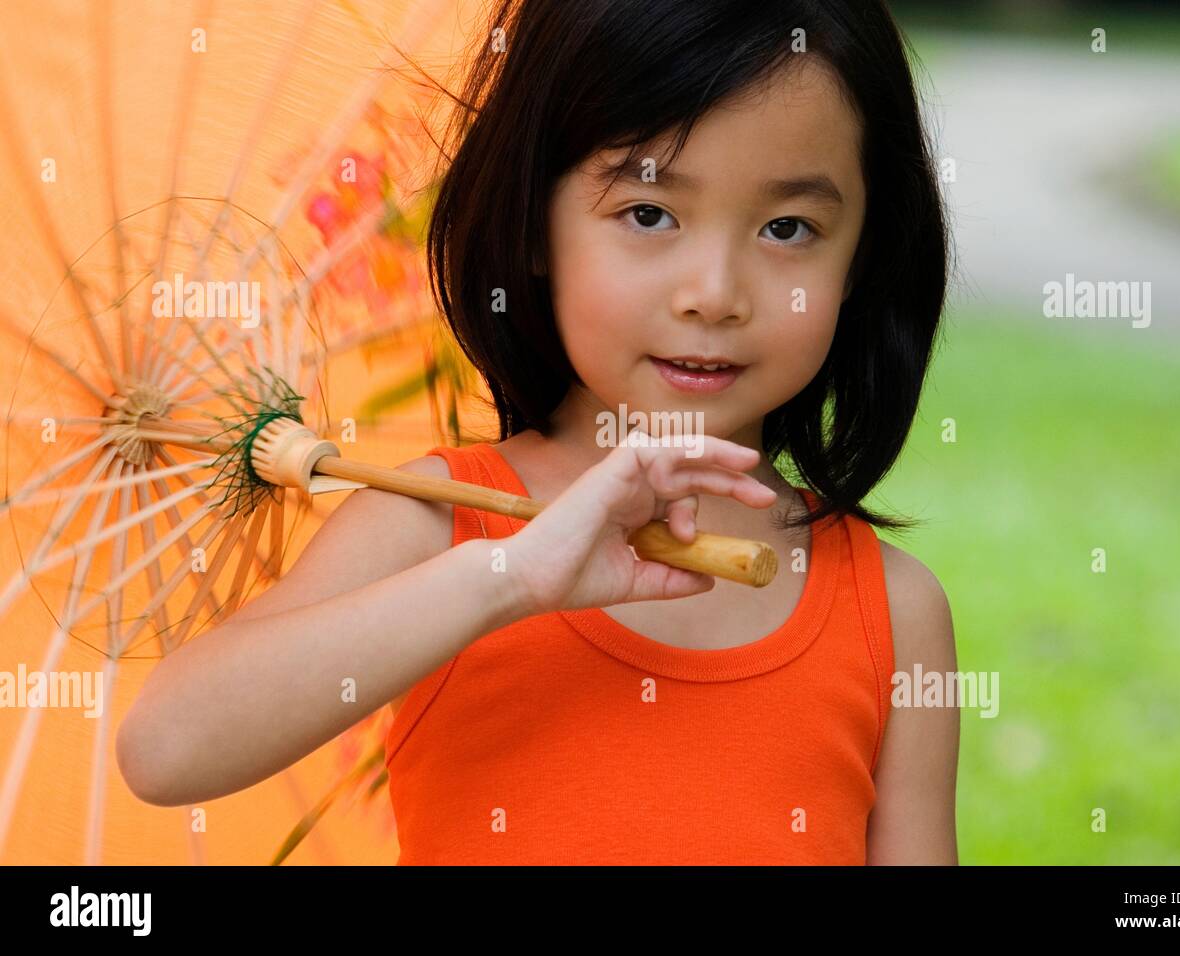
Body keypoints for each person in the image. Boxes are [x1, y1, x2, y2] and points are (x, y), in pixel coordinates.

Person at [117, 0, 959, 865]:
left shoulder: (892, 612)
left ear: (862, 258)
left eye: (788, 229)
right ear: (533, 224)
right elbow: (166, 748)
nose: (714, 291)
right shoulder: (433, 527)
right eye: (648, 212)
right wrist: (507, 579)